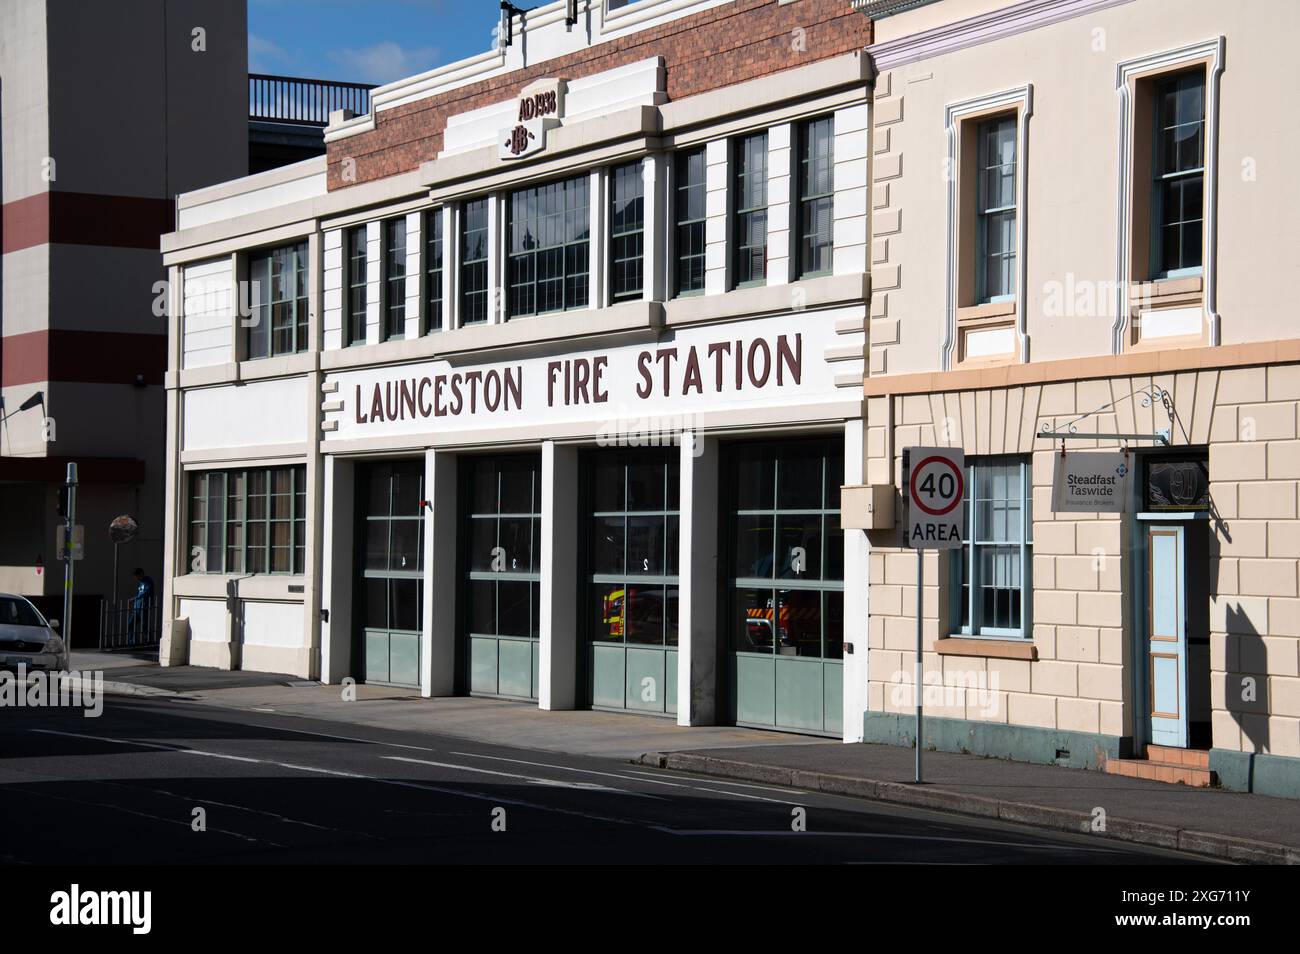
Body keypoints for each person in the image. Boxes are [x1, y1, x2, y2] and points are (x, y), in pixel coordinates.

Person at [127, 568, 155, 646]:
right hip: (137, 607)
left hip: (144, 606)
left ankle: (148, 641)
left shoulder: (148, 581)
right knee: (130, 623)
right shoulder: (140, 582)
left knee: (144, 625)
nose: (137, 578)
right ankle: (131, 642)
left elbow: (146, 593)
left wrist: (135, 598)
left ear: (142, 574)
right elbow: (140, 592)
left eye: (138, 576)